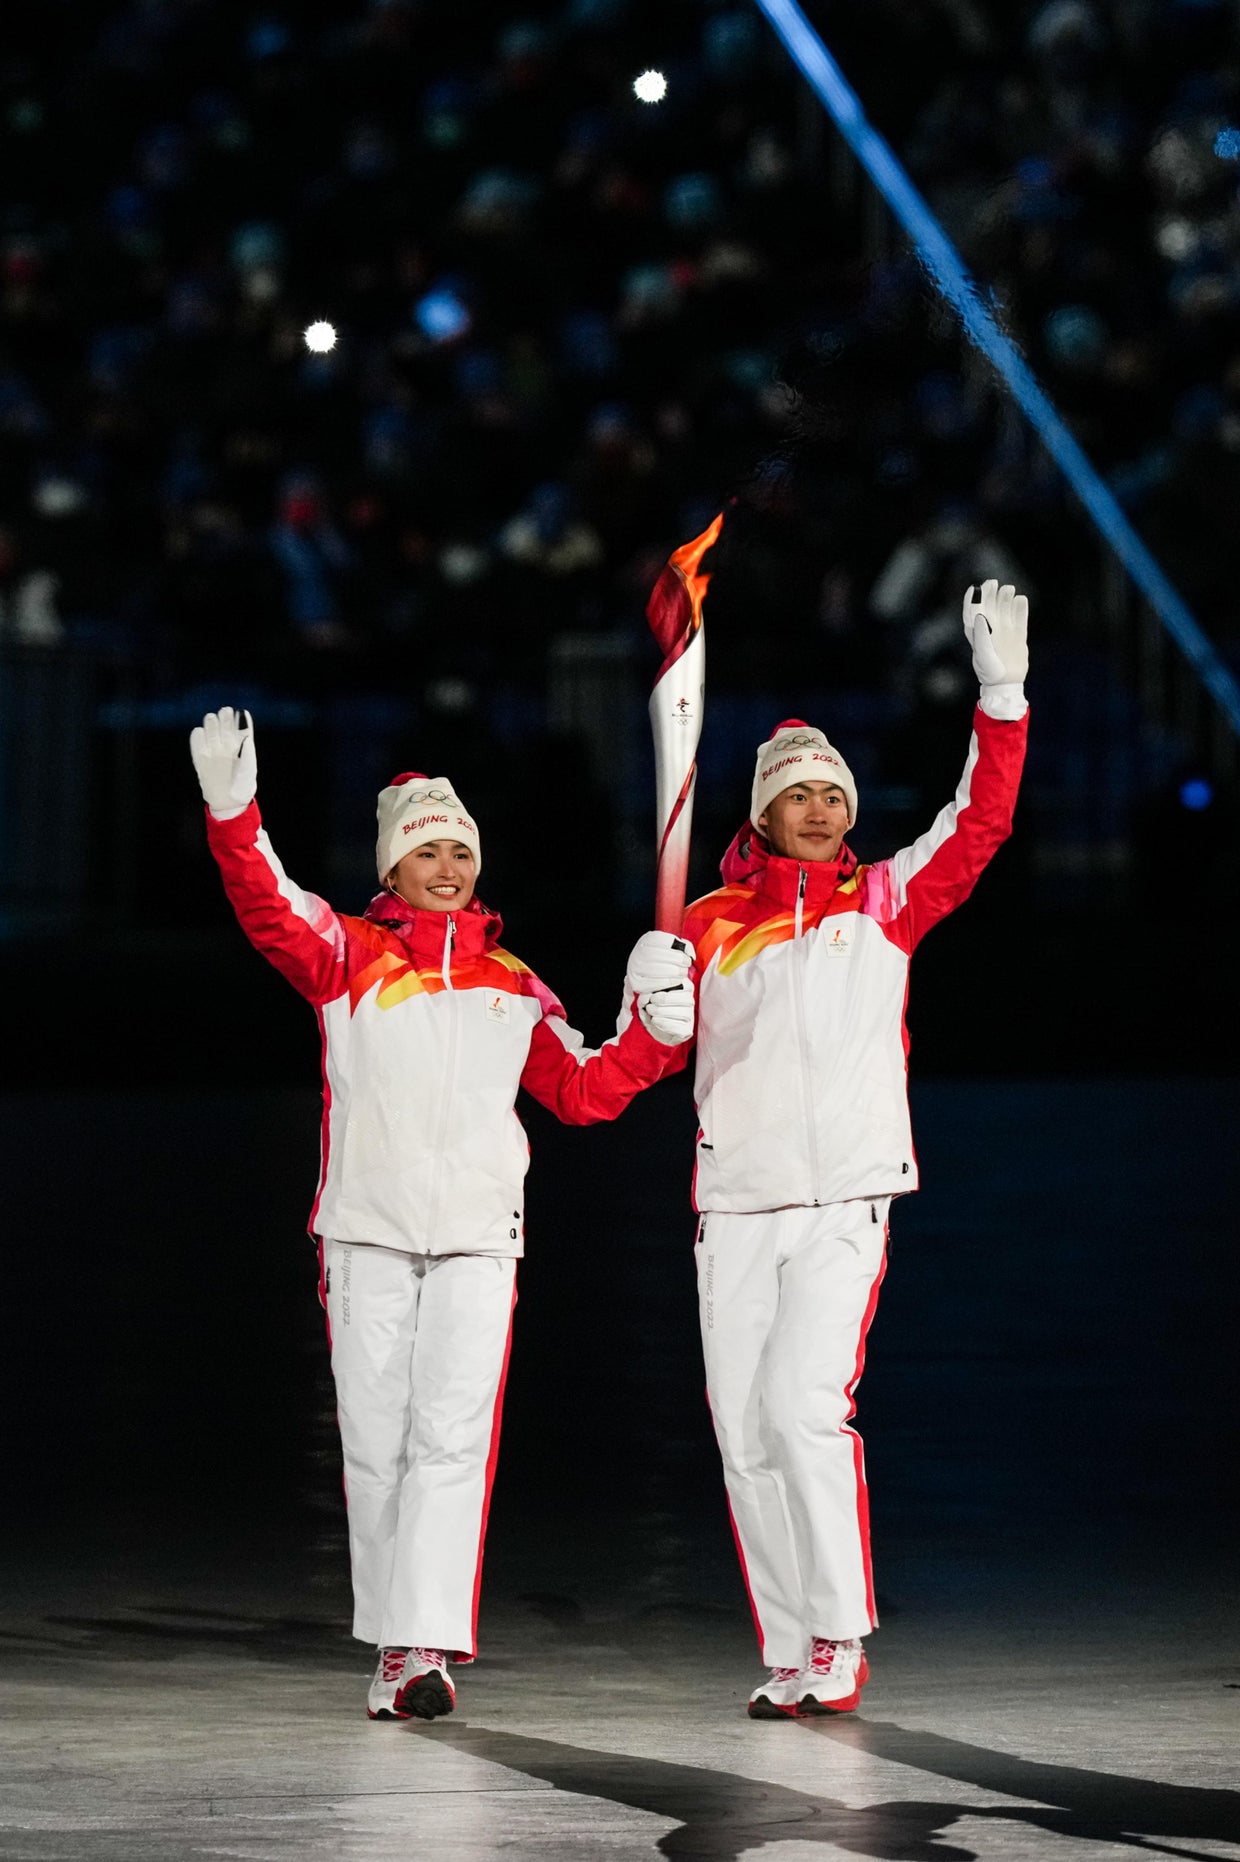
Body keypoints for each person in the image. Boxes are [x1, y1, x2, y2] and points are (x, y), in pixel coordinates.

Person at [189, 707, 694, 1721]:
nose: (449, 865)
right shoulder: (345, 953)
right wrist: (233, 812)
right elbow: (264, 902)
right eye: (428, 849)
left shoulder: (515, 984)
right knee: (380, 1441)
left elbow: (586, 1089)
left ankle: (421, 1646)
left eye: (461, 848)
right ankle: (391, 1644)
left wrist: (660, 1033)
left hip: (476, 1235)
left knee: (453, 1437)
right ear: (394, 865)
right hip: (367, 1230)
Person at [672, 580, 1029, 1719]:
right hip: (736, 1200)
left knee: (800, 1404)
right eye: (801, 796)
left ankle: (840, 1630)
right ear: (763, 816)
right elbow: (629, 1063)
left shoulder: (887, 898)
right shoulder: (703, 926)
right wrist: (652, 1009)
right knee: (743, 1430)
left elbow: (979, 820)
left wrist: (1001, 694)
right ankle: (791, 1645)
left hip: (845, 1199)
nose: (823, 810)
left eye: (835, 792)